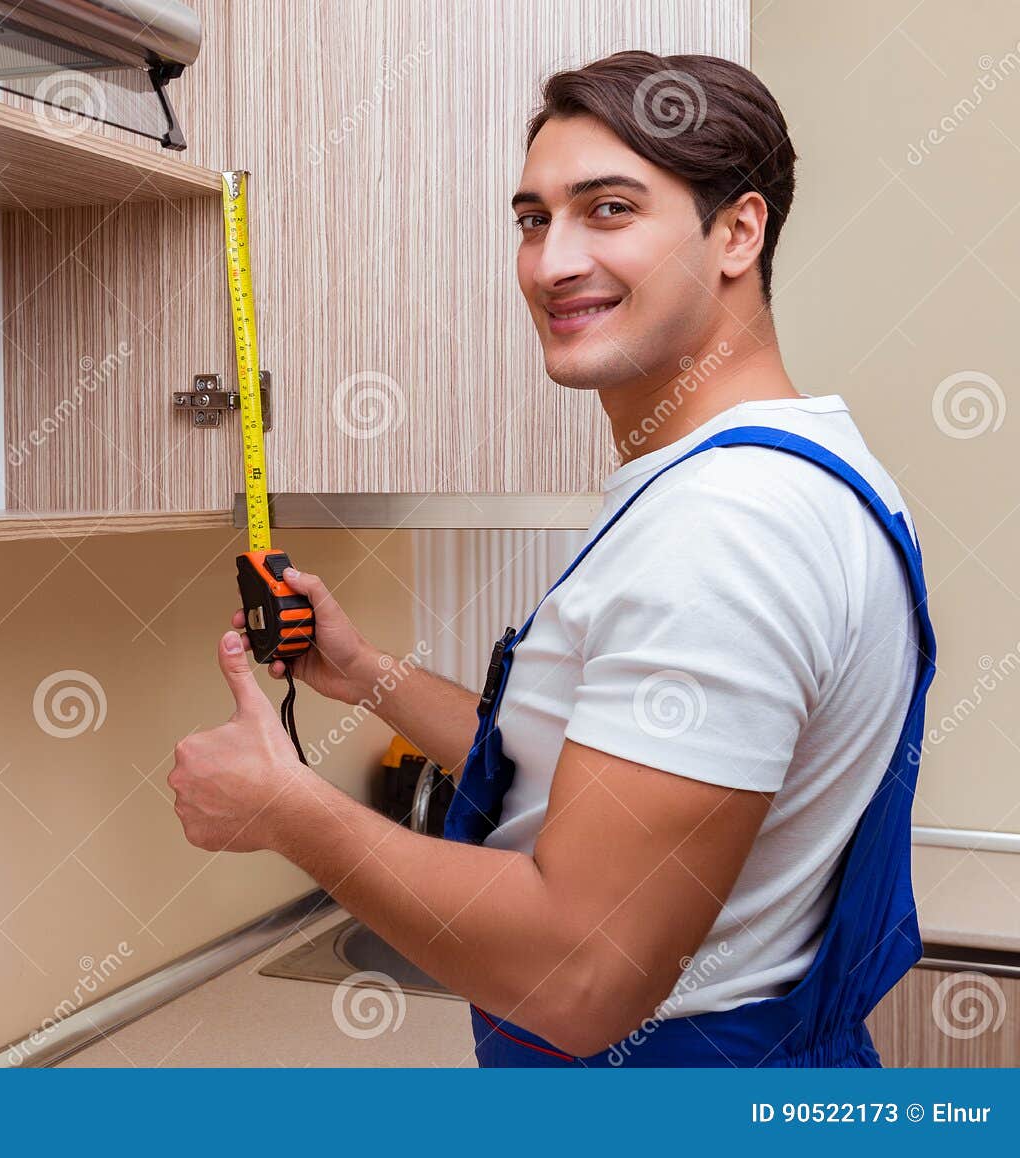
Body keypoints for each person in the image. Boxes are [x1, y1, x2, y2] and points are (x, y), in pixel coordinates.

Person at [167, 49, 936, 1067]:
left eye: (609, 210)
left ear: (737, 232)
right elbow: (598, 774)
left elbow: (579, 979)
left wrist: (287, 811)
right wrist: (366, 676)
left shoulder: (726, 528)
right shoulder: (795, 468)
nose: (551, 263)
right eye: (533, 220)